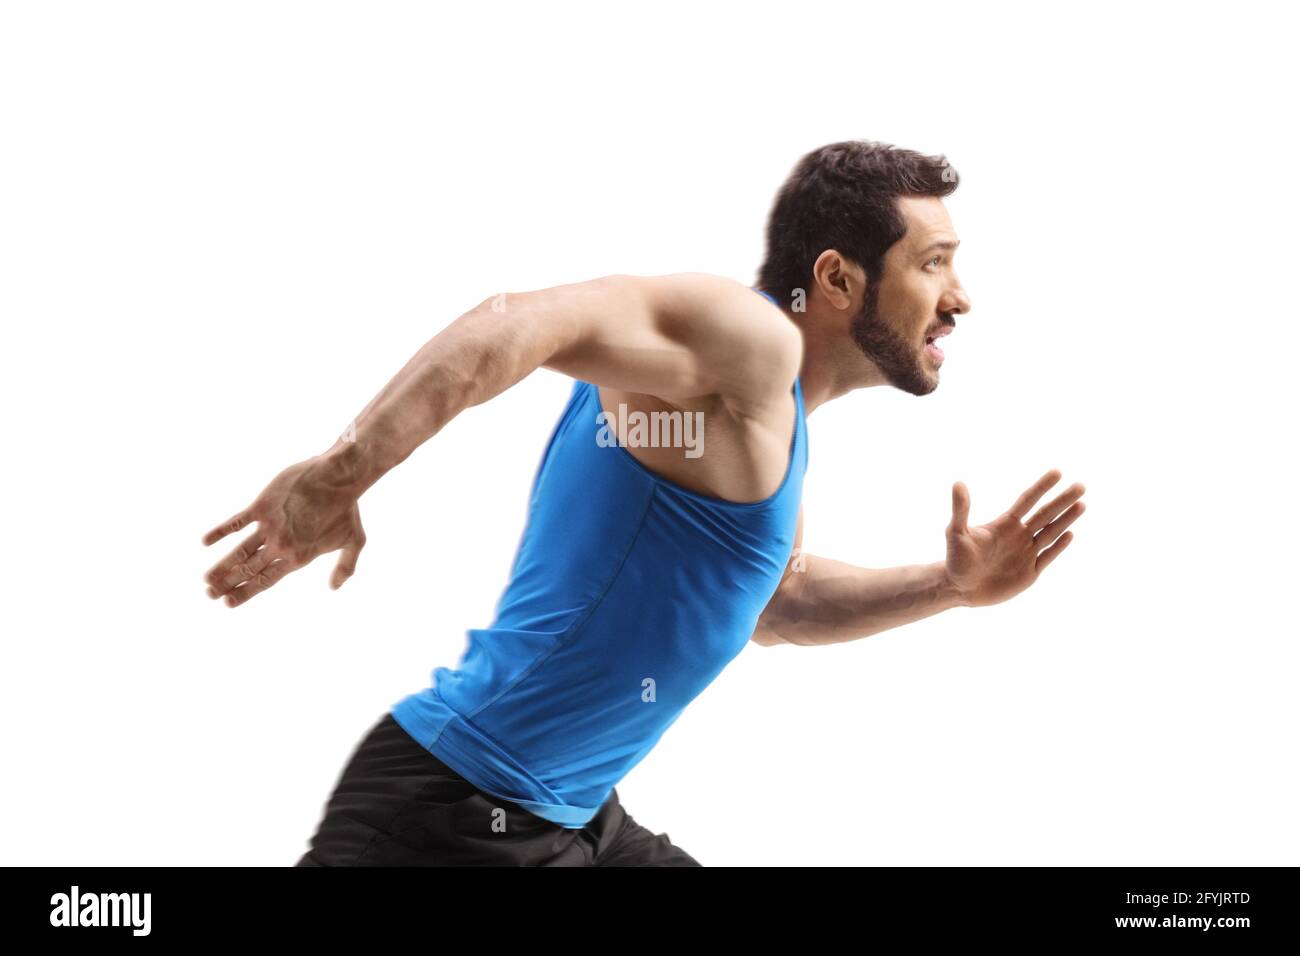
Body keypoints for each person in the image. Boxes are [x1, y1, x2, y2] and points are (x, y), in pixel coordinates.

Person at [201, 140, 1086, 866]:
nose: (960, 299)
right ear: (838, 279)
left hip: (570, 816)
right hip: (454, 820)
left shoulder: (767, 419)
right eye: (934, 265)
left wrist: (952, 587)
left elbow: (781, 603)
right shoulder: (750, 344)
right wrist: (340, 473)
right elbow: (513, 320)